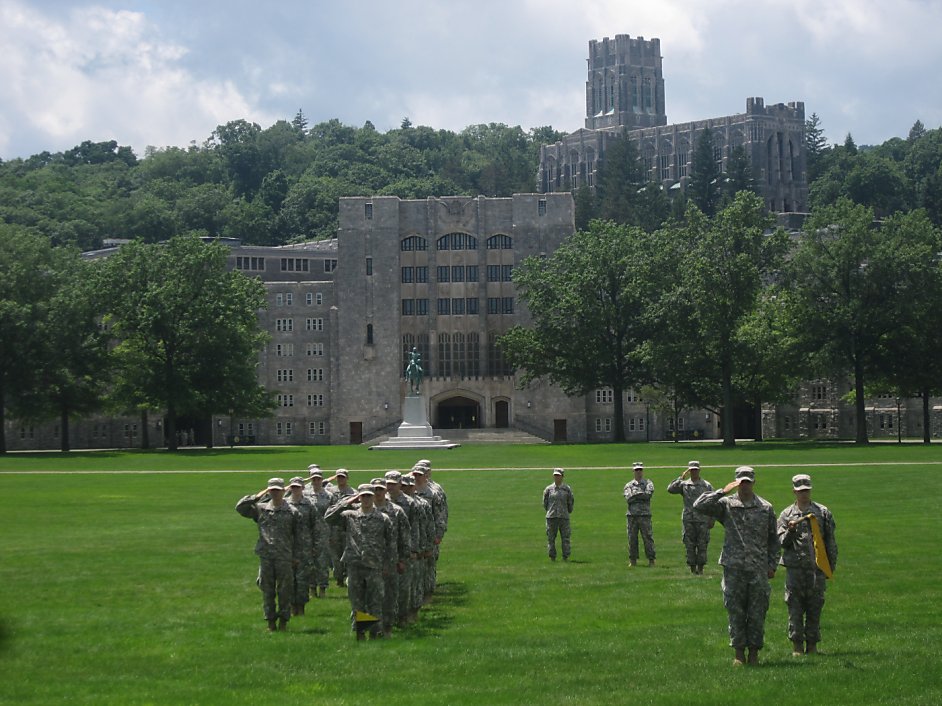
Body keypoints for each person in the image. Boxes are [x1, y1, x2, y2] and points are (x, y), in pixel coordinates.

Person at [694, 466, 780, 666]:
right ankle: (739, 653)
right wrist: (722, 491)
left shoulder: (765, 507)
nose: (745, 485)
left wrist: (772, 564)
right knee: (735, 611)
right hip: (733, 567)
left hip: (758, 568)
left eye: (748, 481)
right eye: (741, 482)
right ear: (736, 482)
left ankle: (754, 653)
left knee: (757, 612)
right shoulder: (726, 504)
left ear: (753, 483)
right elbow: (699, 505)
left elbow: (773, 539)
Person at [777, 473, 838, 656]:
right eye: (800, 491)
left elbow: (830, 543)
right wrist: (790, 532)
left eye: (806, 490)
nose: (803, 494)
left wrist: (829, 568)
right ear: (794, 492)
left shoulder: (822, 512)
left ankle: (812, 645)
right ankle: (797, 646)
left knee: (814, 607)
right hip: (795, 570)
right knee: (794, 607)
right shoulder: (787, 515)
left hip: (816, 570)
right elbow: (781, 542)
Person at [324, 483, 394, 640]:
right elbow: (328, 517)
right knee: (357, 601)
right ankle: (361, 632)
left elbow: (391, 545)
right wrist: (348, 501)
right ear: (359, 497)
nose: (367, 499)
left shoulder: (383, 519)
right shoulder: (350, 516)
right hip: (355, 565)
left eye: (370, 495)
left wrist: (388, 565)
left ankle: (375, 632)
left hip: (374, 566)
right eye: (363, 496)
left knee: (375, 601)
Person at [235, 477, 302, 632]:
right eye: (272, 490)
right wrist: (257, 496)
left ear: (284, 491)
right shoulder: (261, 509)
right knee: (267, 590)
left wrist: (297, 556)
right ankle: (270, 622)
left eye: (278, 490)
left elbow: (299, 537)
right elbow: (240, 508)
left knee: (284, 591)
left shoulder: (292, 512)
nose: (275, 493)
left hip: (285, 556)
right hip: (266, 556)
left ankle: (284, 621)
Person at [372, 477, 410, 637]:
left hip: (390, 561)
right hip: (367, 563)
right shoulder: (358, 511)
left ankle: (387, 628)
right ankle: (368, 630)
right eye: (374, 490)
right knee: (366, 598)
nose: (377, 493)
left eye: (380, 489)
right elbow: (331, 517)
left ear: (385, 491)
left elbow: (404, 537)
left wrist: (403, 560)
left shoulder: (396, 511)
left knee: (388, 597)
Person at [667, 460, 715, 574]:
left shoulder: (706, 485)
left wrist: (712, 519)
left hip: (703, 519)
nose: (694, 472)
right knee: (689, 544)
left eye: (695, 470)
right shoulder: (684, 484)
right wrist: (681, 478)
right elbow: (670, 489)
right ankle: (692, 569)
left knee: (702, 544)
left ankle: (701, 568)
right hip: (689, 519)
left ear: (699, 470)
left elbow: (713, 503)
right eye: (691, 470)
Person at [286, 476, 319, 616]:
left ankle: (301, 607)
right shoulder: (284, 504)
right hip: (287, 547)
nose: (295, 489)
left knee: (302, 579)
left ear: (303, 488)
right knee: (289, 579)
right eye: (293, 487)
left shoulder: (309, 505)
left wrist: (315, 546)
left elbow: (316, 526)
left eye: (298, 487)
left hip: (305, 547)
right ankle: (292, 607)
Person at [303, 466, 333, 598]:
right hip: (308, 533)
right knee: (309, 561)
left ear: (322, 480)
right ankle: (311, 587)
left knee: (322, 561)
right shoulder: (305, 495)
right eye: (313, 479)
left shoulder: (329, 496)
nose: (316, 481)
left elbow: (334, 514)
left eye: (318, 479)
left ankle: (322, 587)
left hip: (324, 532)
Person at [325, 469, 355, 587]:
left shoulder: (353, 492)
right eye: (338, 477)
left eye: (343, 477)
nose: (340, 479)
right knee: (335, 556)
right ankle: (339, 578)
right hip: (334, 528)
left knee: (347, 554)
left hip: (348, 528)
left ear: (347, 478)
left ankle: (348, 577)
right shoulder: (329, 493)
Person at [624, 461, 656, 567]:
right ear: (633, 471)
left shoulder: (648, 483)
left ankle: (651, 559)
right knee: (632, 538)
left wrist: (636, 495)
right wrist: (640, 494)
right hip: (632, 515)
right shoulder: (628, 485)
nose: (638, 472)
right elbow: (628, 498)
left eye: (640, 470)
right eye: (636, 470)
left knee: (648, 538)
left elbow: (648, 495)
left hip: (644, 515)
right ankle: (632, 560)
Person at [542, 468, 574, 561]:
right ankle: (552, 557)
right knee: (551, 538)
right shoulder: (549, 489)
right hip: (551, 517)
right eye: (555, 475)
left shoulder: (566, 489)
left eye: (558, 476)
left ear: (562, 477)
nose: (556, 477)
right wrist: (550, 511)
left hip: (564, 517)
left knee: (565, 538)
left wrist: (568, 511)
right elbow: (545, 502)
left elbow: (570, 502)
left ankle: (566, 556)